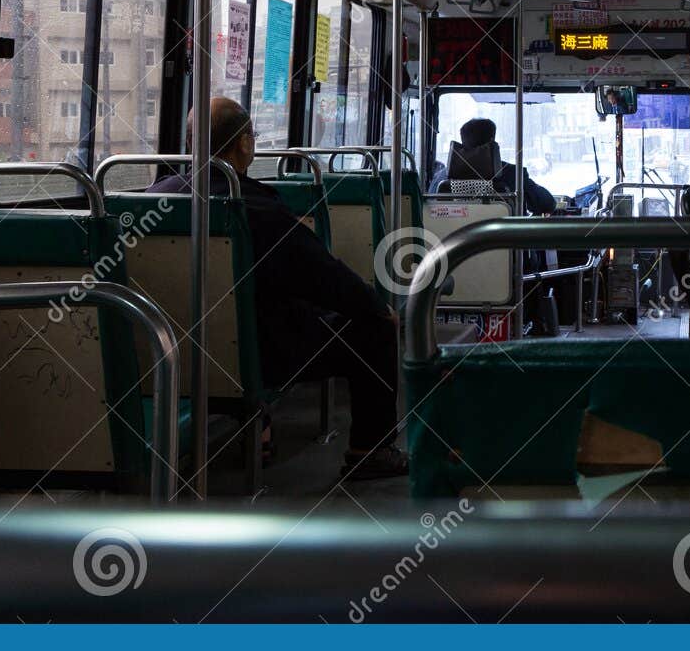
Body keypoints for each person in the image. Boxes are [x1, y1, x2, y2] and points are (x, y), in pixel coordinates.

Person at [149, 98, 407, 480]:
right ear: (243, 144)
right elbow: (323, 277)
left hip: (162, 351)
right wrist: (375, 307)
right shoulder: (254, 207)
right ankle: (369, 452)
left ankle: (259, 420)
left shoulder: (152, 199)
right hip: (258, 353)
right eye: (252, 135)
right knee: (374, 331)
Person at [439, 117, 556, 216]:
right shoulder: (513, 174)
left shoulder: (441, 177)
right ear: (492, 141)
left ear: (462, 141)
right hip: (506, 241)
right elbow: (548, 204)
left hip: (454, 241)